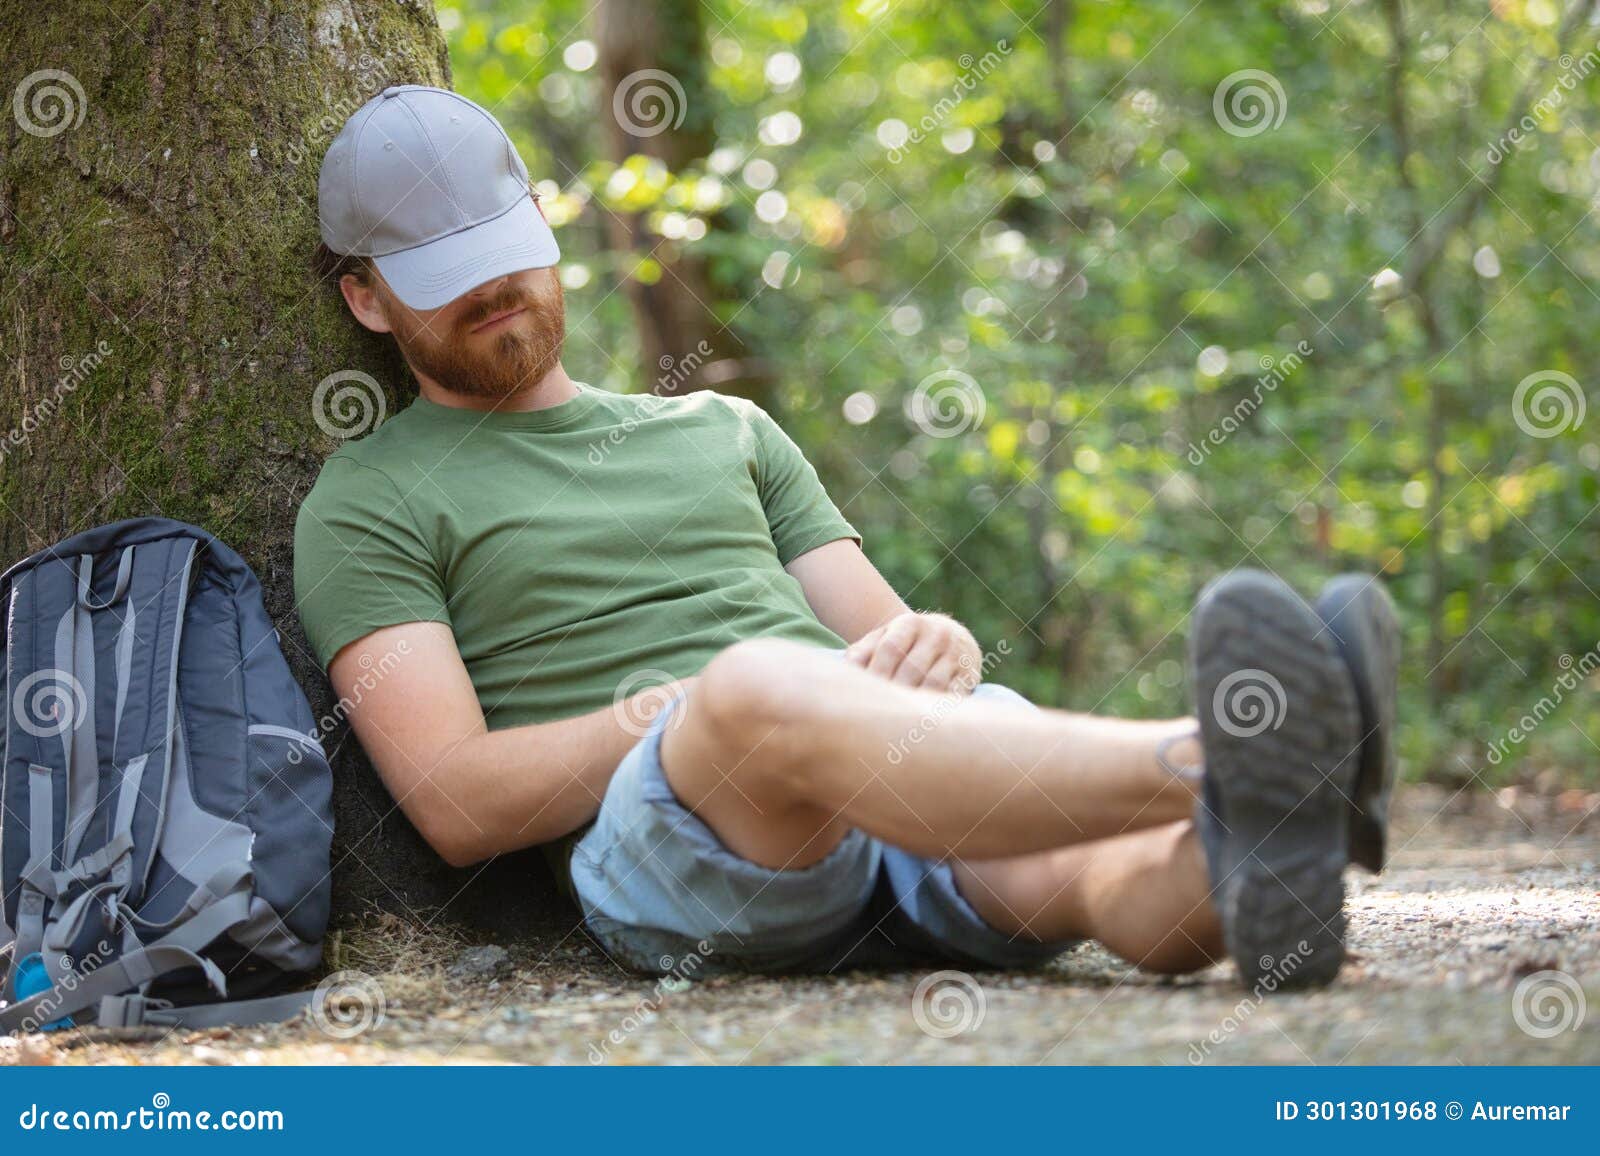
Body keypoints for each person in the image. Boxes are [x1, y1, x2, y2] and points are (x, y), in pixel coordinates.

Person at [296, 86, 1399, 989]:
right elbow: (452, 800)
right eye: (446, 276)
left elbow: (899, 645)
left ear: (540, 223)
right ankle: (1262, 751)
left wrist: (939, 644)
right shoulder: (370, 495)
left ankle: (1267, 849)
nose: (494, 290)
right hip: (693, 840)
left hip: (899, 775)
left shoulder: (722, 427)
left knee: (1093, 873)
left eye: (504, 248)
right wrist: (675, 706)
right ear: (368, 299)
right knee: (753, 690)